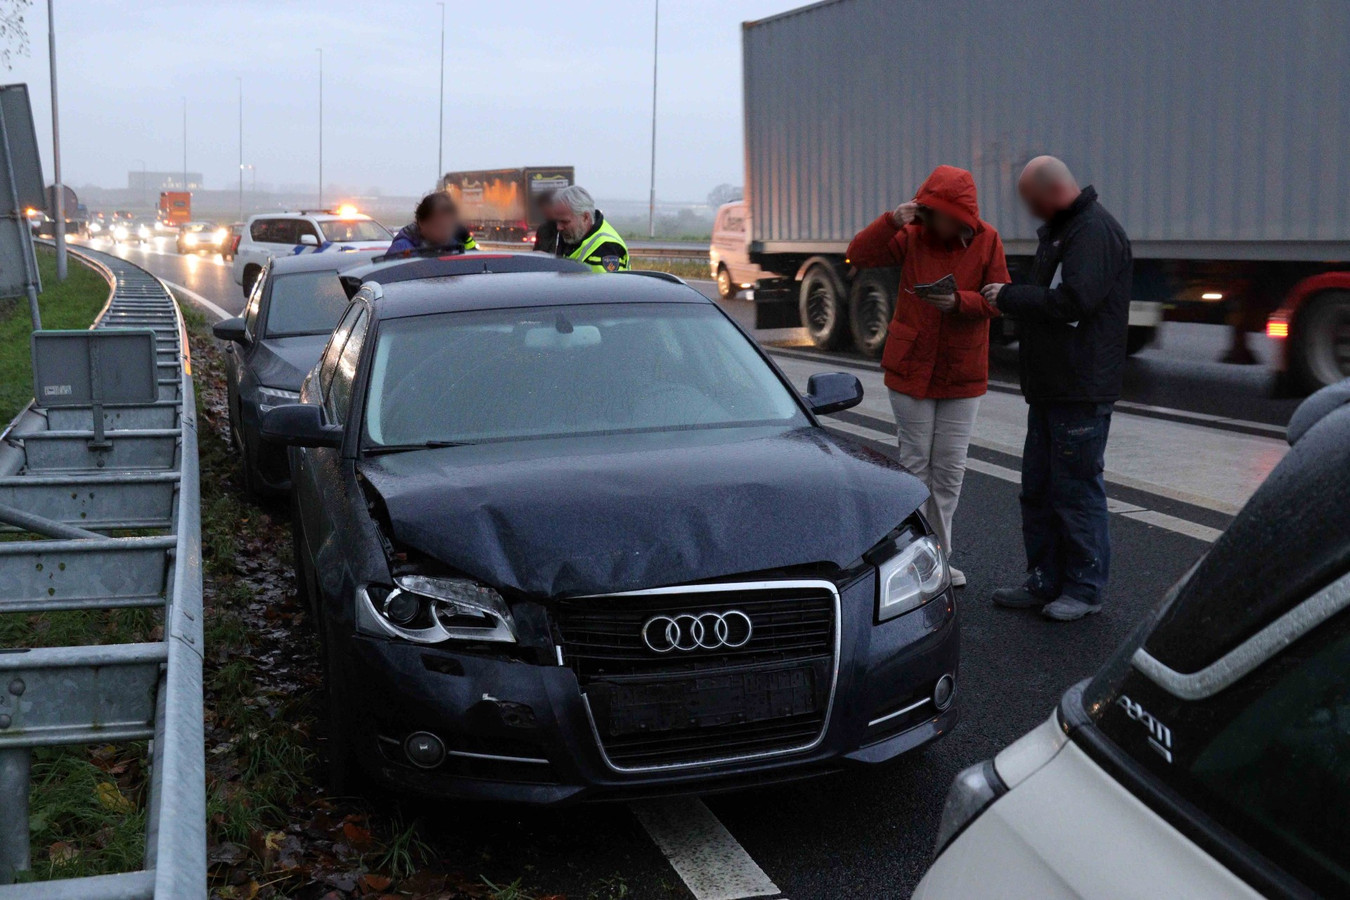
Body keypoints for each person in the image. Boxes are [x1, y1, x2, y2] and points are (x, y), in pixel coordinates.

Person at [982, 156, 1132, 622]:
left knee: (1075, 490)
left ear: (1050, 192)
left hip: (1078, 387)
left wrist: (1009, 296)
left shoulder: (1092, 232)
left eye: (1030, 199)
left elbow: (1075, 303)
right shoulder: (1067, 231)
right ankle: (1045, 580)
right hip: (1053, 387)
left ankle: (1085, 590)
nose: (1028, 209)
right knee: (1040, 488)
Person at [847, 165, 1009, 588]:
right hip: (911, 368)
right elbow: (858, 255)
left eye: (947, 214)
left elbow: (999, 300)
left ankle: (939, 558)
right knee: (915, 469)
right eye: (932, 211)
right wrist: (890, 221)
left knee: (949, 473)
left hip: (961, 372)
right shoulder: (911, 234)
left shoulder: (988, 240)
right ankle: (912, 563)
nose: (939, 221)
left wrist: (960, 302)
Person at [551, 185, 629, 272]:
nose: (559, 227)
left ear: (585, 217)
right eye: (556, 221)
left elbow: (608, 285)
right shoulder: (574, 237)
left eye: (565, 222)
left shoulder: (606, 248)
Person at [386, 191, 477, 256]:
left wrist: (467, 240)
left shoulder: (456, 246)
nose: (445, 232)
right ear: (422, 223)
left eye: (449, 227)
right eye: (439, 226)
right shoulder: (402, 249)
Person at [532, 189, 560, 255]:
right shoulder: (543, 229)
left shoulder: (565, 228)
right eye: (542, 207)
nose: (544, 210)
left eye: (547, 206)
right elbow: (537, 250)